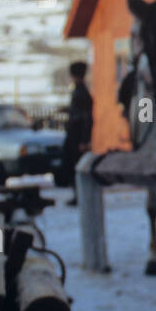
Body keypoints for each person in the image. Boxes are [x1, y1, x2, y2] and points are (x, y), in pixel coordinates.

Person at [63, 60, 93, 206]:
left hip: (77, 136)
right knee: (73, 165)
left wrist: (84, 140)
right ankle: (77, 195)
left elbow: (87, 118)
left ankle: (79, 196)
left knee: (76, 165)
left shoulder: (81, 93)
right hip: (75, 134)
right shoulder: (80, 91)